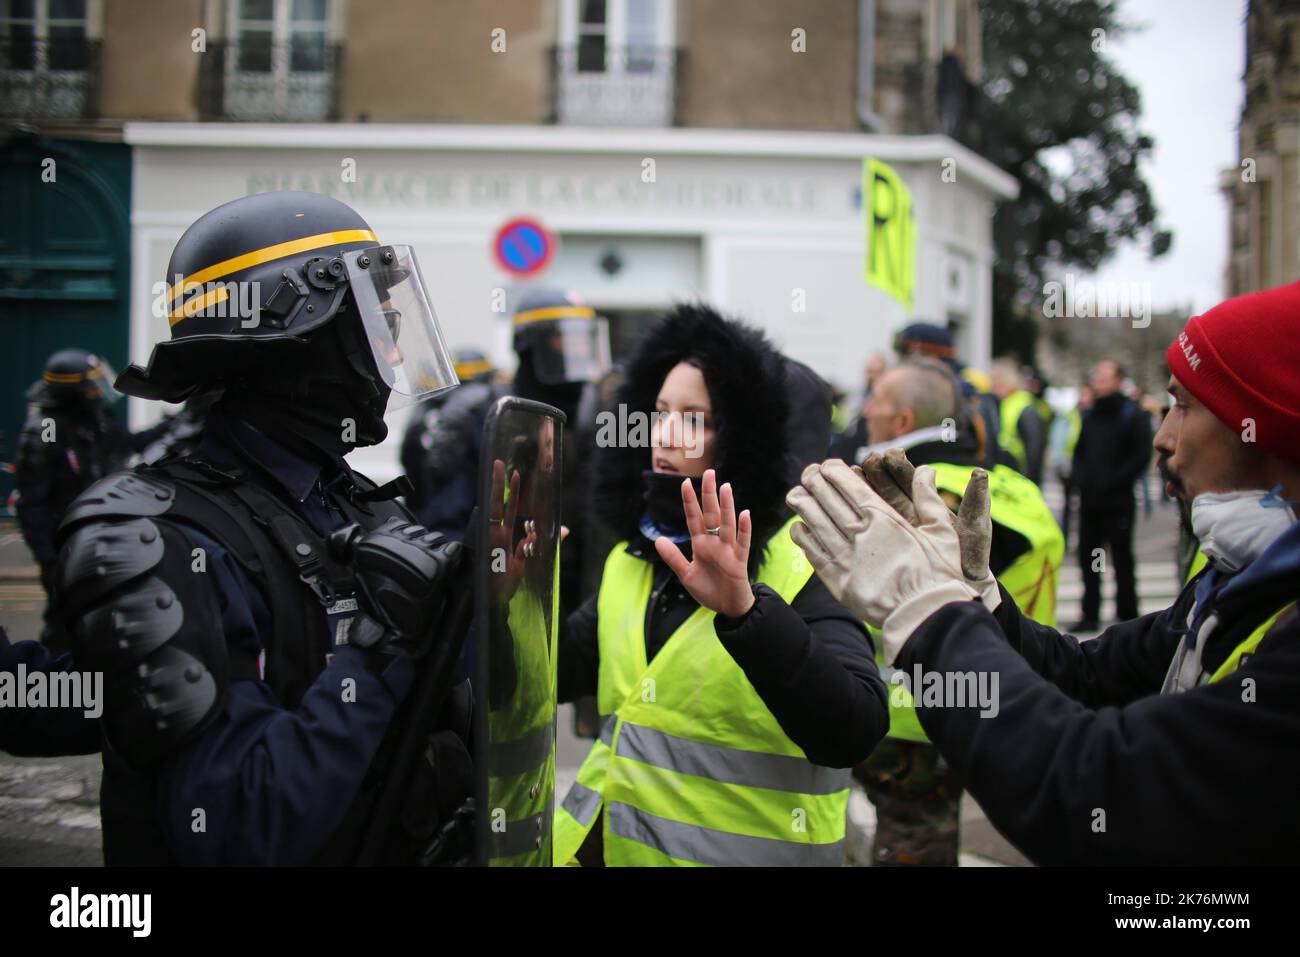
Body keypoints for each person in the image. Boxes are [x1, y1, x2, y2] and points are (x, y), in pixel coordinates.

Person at [787, 280, 1300, 864]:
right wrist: (973, 596)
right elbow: (1085, 675)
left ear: (1267, 427)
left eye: (1185, 404)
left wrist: (925, 609)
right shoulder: (1237, 582)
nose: (1164, 436)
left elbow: (1100, 793)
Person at [54, 191, 471, 866]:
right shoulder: (155, 535)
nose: (392, 347)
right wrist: (375, 652)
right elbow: (230, 826)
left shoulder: (364, 504)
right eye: (371, 318)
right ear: (294, 340)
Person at [552, 304, 888, 866]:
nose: (662, 434)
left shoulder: (808, 565)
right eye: (658, 412)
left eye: (693, 419)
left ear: (746, 445)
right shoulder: (638, 555)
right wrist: (518, 590)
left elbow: (852, 731)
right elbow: (547, 679)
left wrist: (746, 614)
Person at [852, 359, 1063, 865]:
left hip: (912, 716)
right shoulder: (1010, 485)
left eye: (875, 399)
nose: (864, 409)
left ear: (902, 421)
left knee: (913, 845)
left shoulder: (906, 492)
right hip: (1005, 695)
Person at [14, 350, 133, 649]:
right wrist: (48, 558)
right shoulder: (45, 431)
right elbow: (32, 504)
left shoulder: (95, 419)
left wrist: (174, 426)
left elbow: (125, 445)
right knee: (64, 623)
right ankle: (58, 686)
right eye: (91, 387)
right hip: (63, 544)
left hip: (97, 535)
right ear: (72, 392)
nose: (98, 392)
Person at [1070, 359, 1153, 629]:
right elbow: (1080, 451)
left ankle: (1127, 613)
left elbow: (1141, 455)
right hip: (1090, 501)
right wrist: (1080, 480)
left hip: (1118, 501)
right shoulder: (1091, 414)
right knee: (1089, 557)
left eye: (1104, 377)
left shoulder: (1132, 414)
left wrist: (1114, 480)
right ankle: (1090, 612)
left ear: (1119, 381)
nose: (1098, 382)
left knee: (1121, 558)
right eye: (1097, 377)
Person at [400, 347, 501, 537]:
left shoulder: (427, 409)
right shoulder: (484, 407)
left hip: (425, 523)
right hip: (460, 522)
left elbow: (408, 460)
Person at [990, 357, 1048, 485]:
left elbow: (1034, 450)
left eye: (997, 384)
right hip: (1006, 471)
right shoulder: (1006, 403)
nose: (993, 388)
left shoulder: (1024, 407)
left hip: (1018, 472)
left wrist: (1030, 482)